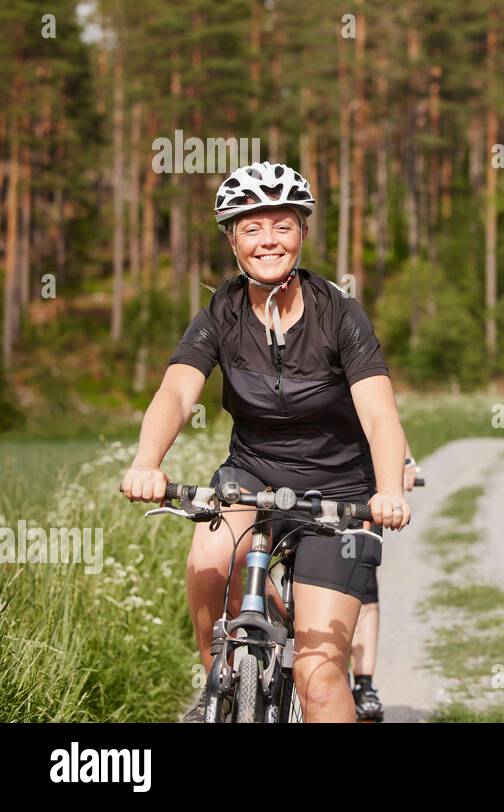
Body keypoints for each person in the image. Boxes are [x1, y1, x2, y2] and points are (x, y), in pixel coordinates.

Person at [119, 161, 413, 723]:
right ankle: (219, 680)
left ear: (302, 233)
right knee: (208, 557)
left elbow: (378, 414)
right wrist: (146, 462)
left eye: (282, 225)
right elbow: (177, 394)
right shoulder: (221, 312)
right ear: (232, 240)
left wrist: (389, 490)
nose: (268, 240)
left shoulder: (339, 314)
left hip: (339, 488)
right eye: (251, 228)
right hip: (252, 473)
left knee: (319, 678)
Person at [349, 446, 420, 722]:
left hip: (353, 481)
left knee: (360, 578)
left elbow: (385, 415)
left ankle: (364, 685)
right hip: (283, 477)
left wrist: (404, 460)